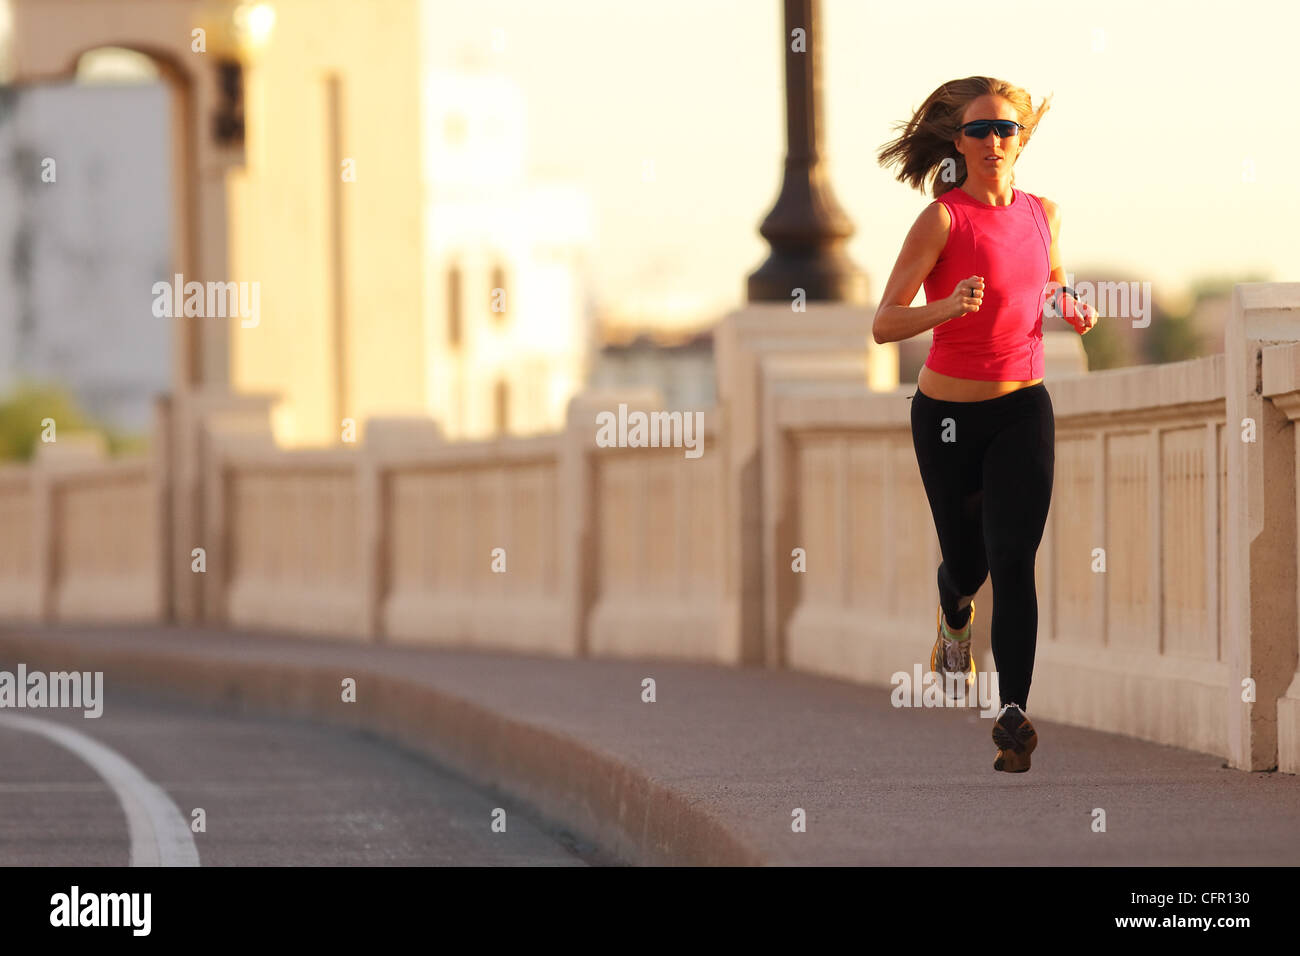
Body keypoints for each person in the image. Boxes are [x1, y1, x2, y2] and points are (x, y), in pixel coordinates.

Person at [873, 76, 1097, 773]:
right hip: (944, 419)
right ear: (958, 142)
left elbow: (1049, 276)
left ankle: (1012, 714)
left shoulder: (1044, 213)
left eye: (1006, 130)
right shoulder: (942, 220)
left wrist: (1068, 300)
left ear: (1021, 139)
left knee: (1013, 560)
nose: (994, 142)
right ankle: (952, 614)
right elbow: (884, 323)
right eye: (979, 131)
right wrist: (947, 308)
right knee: (968, 565)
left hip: (1022, 409)